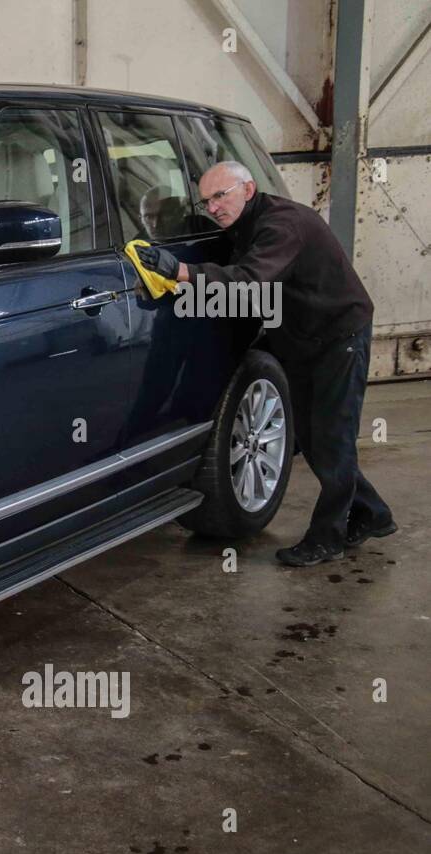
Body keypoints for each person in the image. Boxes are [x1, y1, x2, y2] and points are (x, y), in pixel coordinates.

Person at [137, 160, 395, 567]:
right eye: (207, 201)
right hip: (300, 335)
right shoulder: (244, 224)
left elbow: (250, 281)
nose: (214, 208)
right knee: (312, 439)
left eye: (221, 196)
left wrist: (182, 271)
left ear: (249, 189)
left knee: (332, 440)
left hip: (338, 337)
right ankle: (373, 513)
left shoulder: (282, 225)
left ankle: (327, 538)